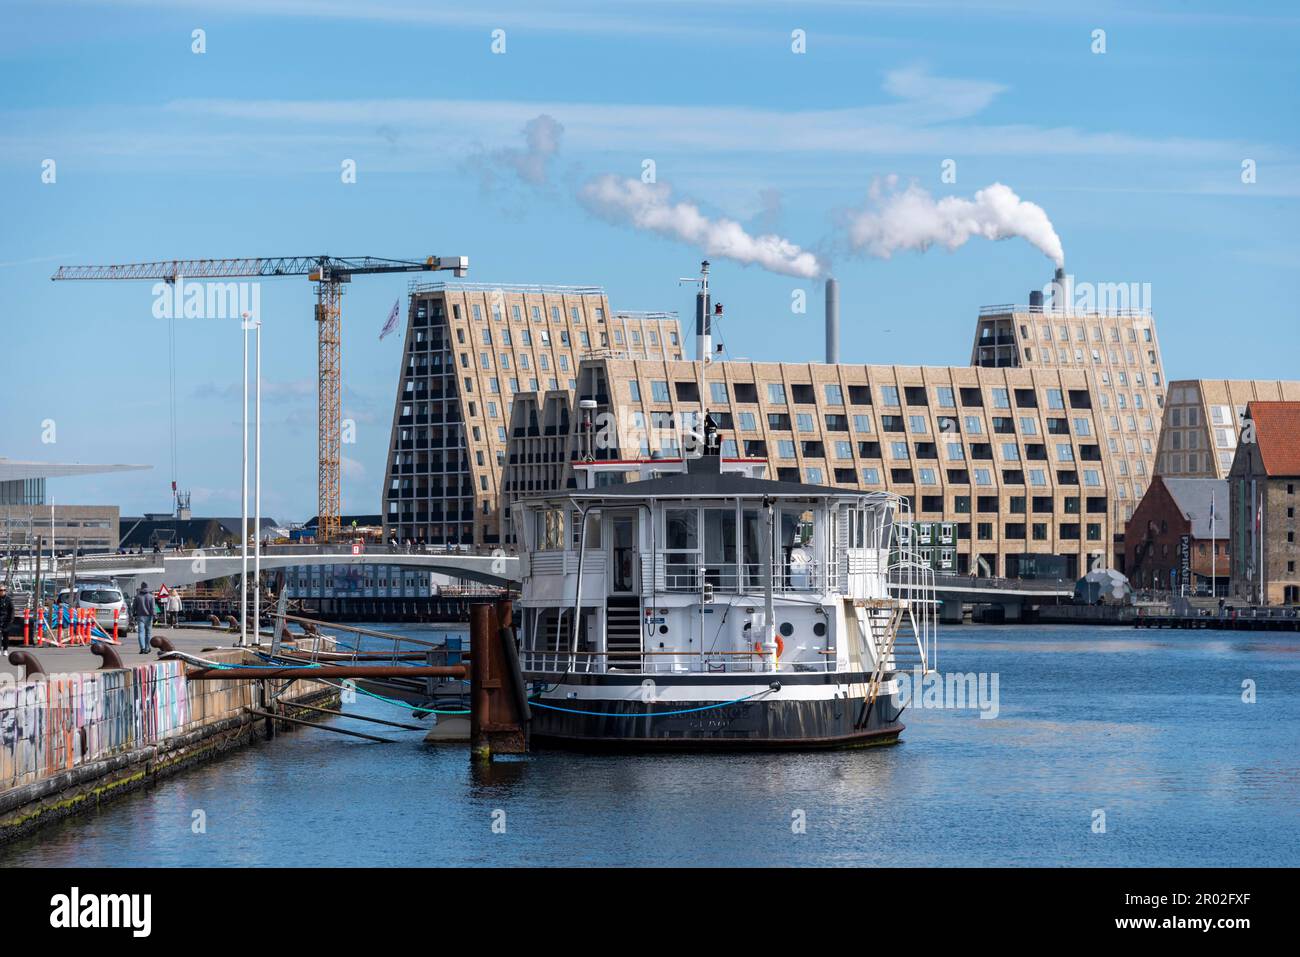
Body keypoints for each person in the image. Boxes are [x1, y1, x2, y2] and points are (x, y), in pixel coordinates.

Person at [132, 582, 156, 654]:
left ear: (141, 587)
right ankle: (147, 648)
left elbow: (134, 607)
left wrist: (133, 614)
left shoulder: (137, 596)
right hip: (149, 617)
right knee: (148, 633)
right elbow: (153, 608)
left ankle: (142, 648)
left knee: (141, 633)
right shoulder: (151, 597)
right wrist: (154, 615)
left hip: (140, 616)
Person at [0, 584, 13, 652]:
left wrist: (10, 620)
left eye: (4, 590)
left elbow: (11, 610)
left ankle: (5, 649)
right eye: (1, 590)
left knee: (5, 635)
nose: (3, 591)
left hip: (6, 620)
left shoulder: (8, 599)